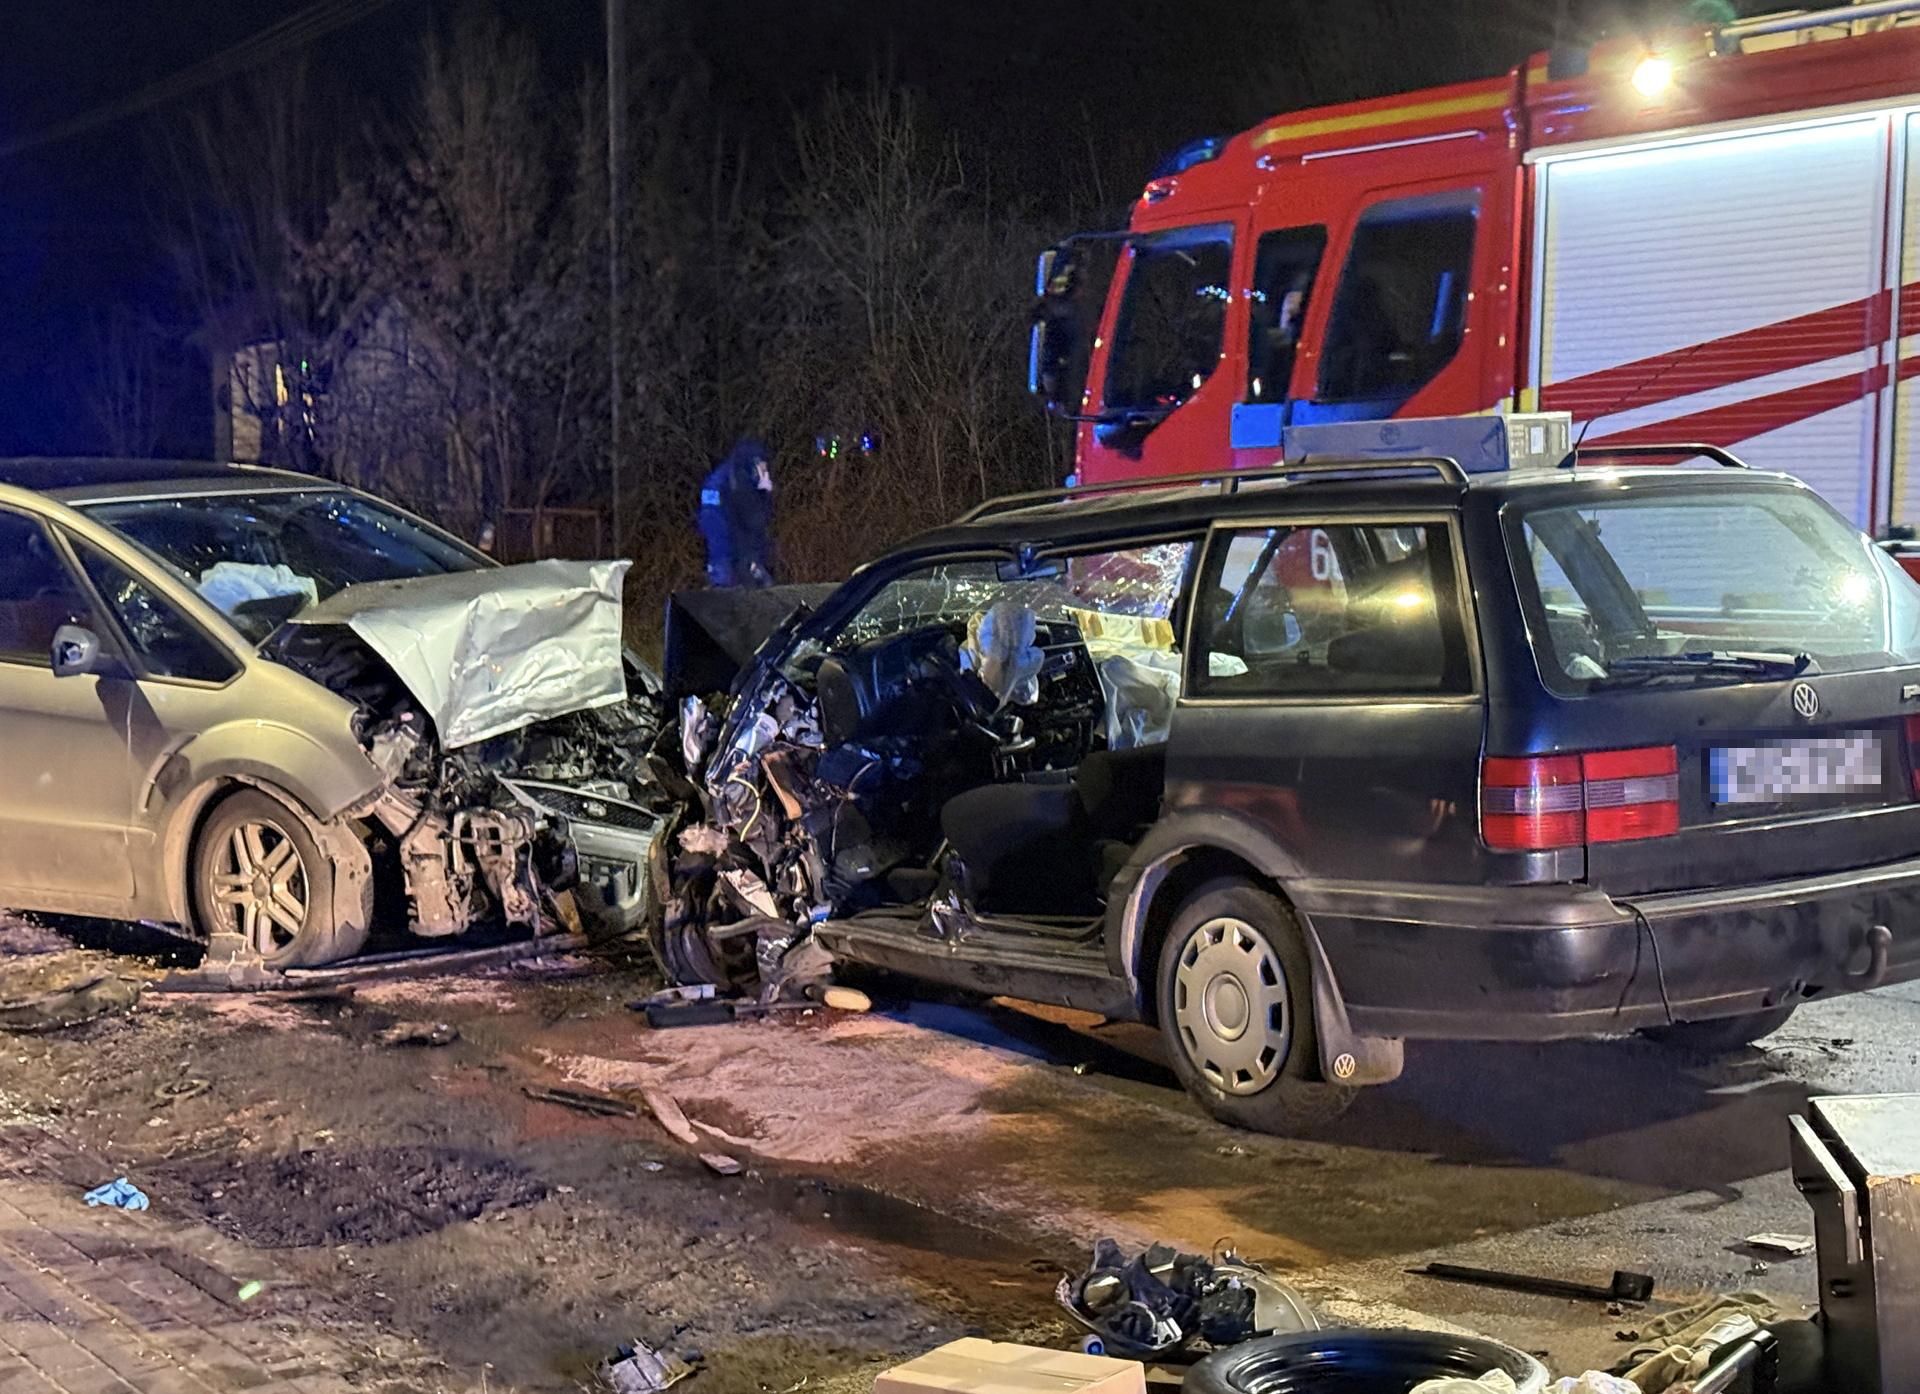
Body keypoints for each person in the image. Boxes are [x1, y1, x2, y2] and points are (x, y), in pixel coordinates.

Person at [698, 438, 775, 587]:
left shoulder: (746, 480)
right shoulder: (724, 482)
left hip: (744, 552)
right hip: (726, 552)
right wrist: (727, 561)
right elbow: (715, 522)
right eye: (762, 465)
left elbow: (758, 521)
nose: (765, 470)